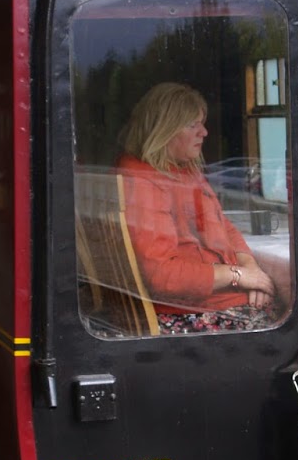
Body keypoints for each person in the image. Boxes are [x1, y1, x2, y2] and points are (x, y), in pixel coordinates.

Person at [115, 82, 279, 333]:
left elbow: (222, 225)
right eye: (193, 125)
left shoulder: (181, 171)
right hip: (187, 312)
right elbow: (162, 276)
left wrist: (250, 270)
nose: (204, 132)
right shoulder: (145, 181)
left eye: (201, 123)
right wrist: (238, 276)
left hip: (210, 302)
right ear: (164, 130)